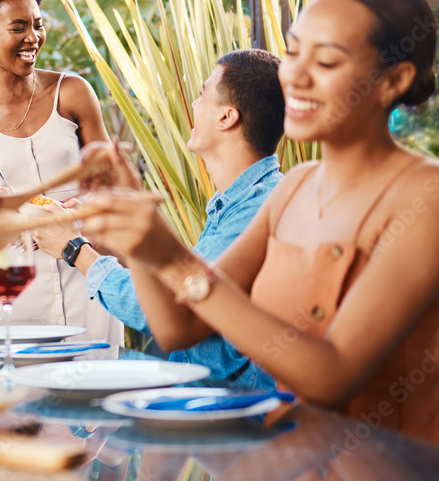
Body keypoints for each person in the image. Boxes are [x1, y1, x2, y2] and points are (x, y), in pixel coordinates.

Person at [80, 0, 439, 445]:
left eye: (325, 60)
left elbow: (333, 377)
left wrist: (173, 255)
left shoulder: (432, 192)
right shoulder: (295, 188)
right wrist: (138, 232)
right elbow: (179, 327)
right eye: (293, 52)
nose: (295, 76)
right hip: (279, 458)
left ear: (394, 80)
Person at [35, 49, 284, 389]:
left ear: (227, 117)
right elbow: (173, 286)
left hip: (224, 404)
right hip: (198, 387)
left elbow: (169, 314)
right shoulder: (236, 203)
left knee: (56, 378)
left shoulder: (258, 209)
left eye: (202, 94)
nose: (194, 106)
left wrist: (74, 249)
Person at [0, 0, 122, 350]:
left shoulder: (73, 92)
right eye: (19, 27)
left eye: (38, 25)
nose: (33, 37)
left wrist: (75, 212)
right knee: (25, 404)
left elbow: (111, 190)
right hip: (17, 284)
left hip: (88, 273)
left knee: (97, 399)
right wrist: (0, 214)